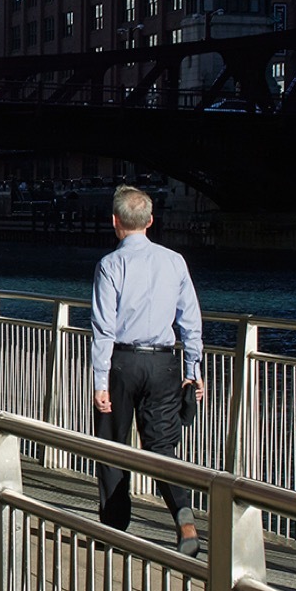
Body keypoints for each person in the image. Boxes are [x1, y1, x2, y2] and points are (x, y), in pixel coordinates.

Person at [91, 184, 204, 555]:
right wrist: (193, 369)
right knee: (161, 445)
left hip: (122, 362)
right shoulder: (174, 261)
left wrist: (99, 380)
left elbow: (104, 328)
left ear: (115, 222)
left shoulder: (110, 265)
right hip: (163, 363)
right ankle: (184, 517)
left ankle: (115, 530)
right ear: (151, 221)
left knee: (112, 444)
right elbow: (190, 321)